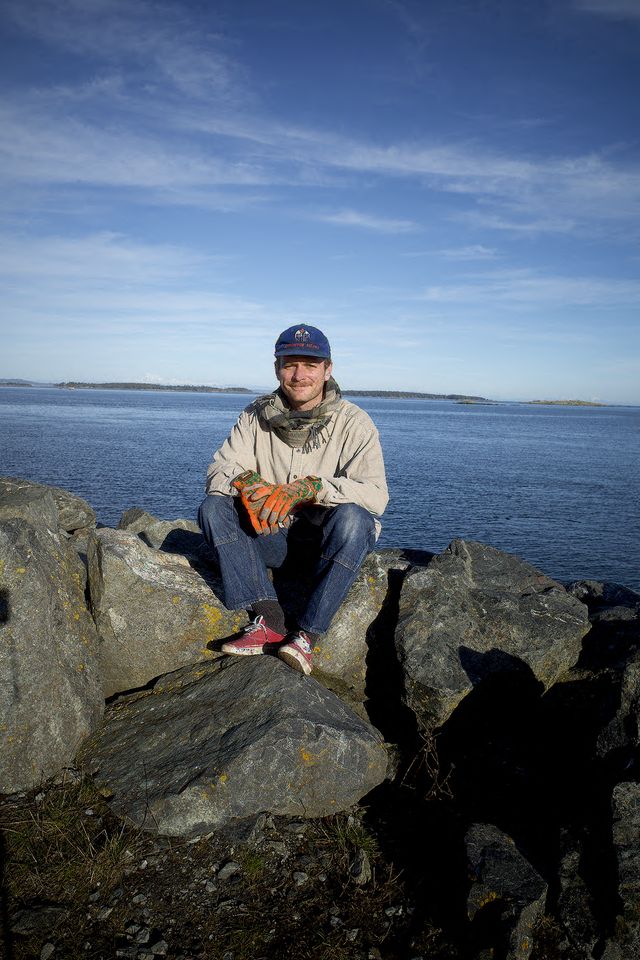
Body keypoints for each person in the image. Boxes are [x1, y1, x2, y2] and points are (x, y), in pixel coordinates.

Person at [198, 324, 388, 675]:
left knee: (355, 519)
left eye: (310, 364)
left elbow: (376, 496)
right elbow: (220, 466)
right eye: (290, 364)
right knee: (213, 507)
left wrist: (314, 487)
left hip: (328, 546)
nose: (299, 375)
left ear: (327, 369)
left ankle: (306, 636)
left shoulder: (355, 423)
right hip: (274, 536)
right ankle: (268, 620)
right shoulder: (255, 415)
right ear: (277, 368)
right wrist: (245, 481)